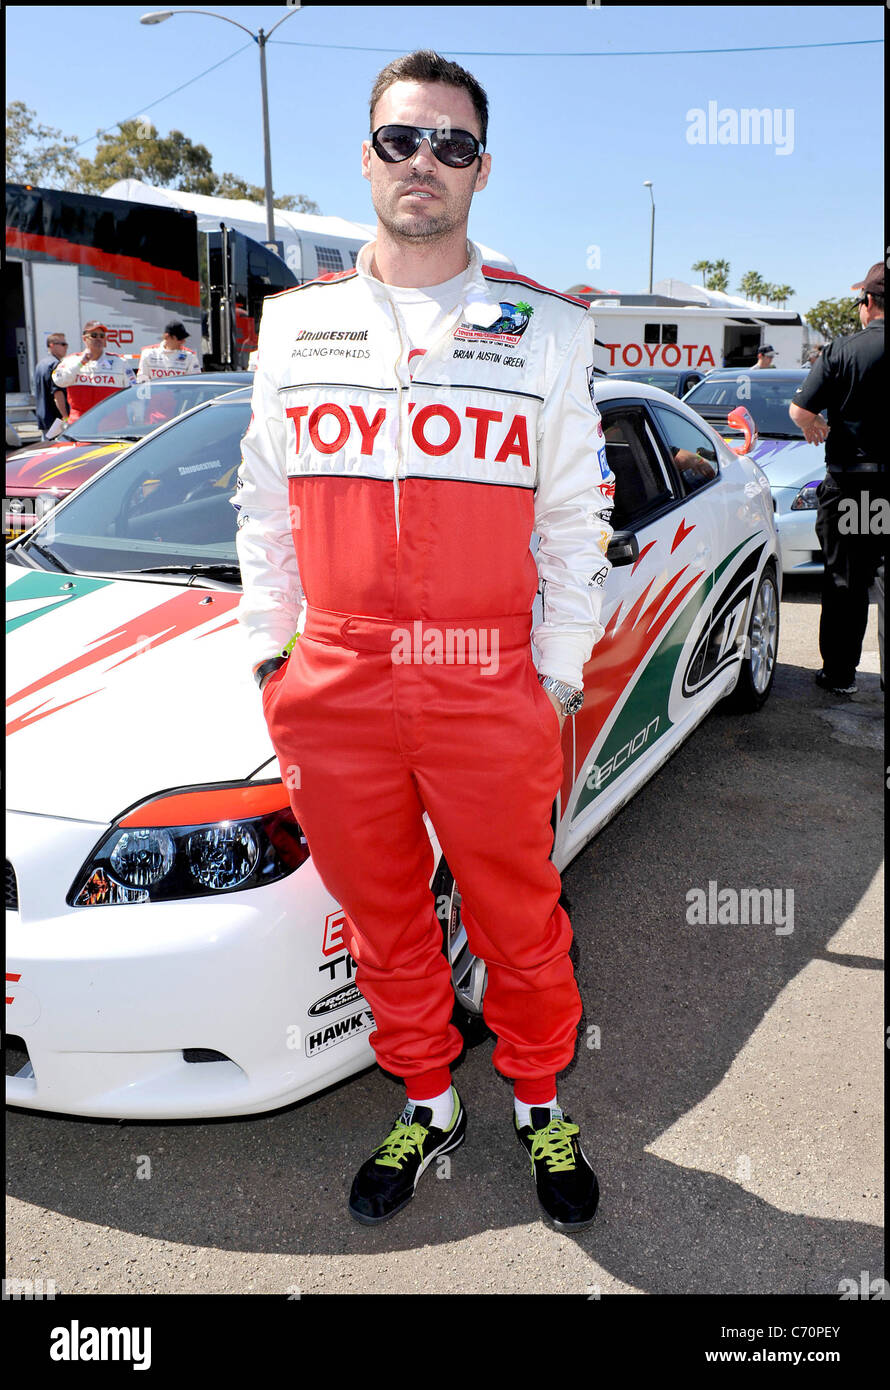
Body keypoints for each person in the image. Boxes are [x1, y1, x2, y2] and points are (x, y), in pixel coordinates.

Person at [234, 49, 615, 1231]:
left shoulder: (544, 329)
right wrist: (271, 653)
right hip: (335, 678)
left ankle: (539, 1098)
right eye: (402, 139)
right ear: (367, 159)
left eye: (450, 145)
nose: (423, 163)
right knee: (383, 916)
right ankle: (423, 1096)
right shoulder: (296, 326)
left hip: (484, 673)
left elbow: (572, 519)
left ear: (480, 171)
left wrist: (552, 669)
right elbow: (262, 504)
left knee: (516, 910)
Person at [789, 262, 884, 696]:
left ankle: (842, 674)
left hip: (855, 488)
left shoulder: (843, 349)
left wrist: (815, 427)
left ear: (867, 302)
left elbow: (801, 411)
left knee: (847, 579)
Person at [51, 322, 136, 424]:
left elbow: (134, 391)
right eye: (94, 335)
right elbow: (59, 381)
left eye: (102, 336)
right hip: (80, 424)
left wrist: (137, 418)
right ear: (84, 339)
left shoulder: (120, 362)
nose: (98, 338)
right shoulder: (71, 360)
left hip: (113, 425)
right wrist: (81, 363)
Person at [136, 321, 201, 382]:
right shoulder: (148, 353)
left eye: (184, 338)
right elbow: (142, 380)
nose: (183, 341)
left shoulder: (190, 356)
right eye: (180, 338)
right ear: (167, 337)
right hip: (155, 393)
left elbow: (194, 382)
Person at [32, 332, 69, 438]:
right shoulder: (56, 365)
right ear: (51, 345)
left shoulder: (41, 364)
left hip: (44, 418)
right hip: (56, 421)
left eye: (66, 344)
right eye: (62, 344)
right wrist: (65, 417)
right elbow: (57, 394)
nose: (66, 347)